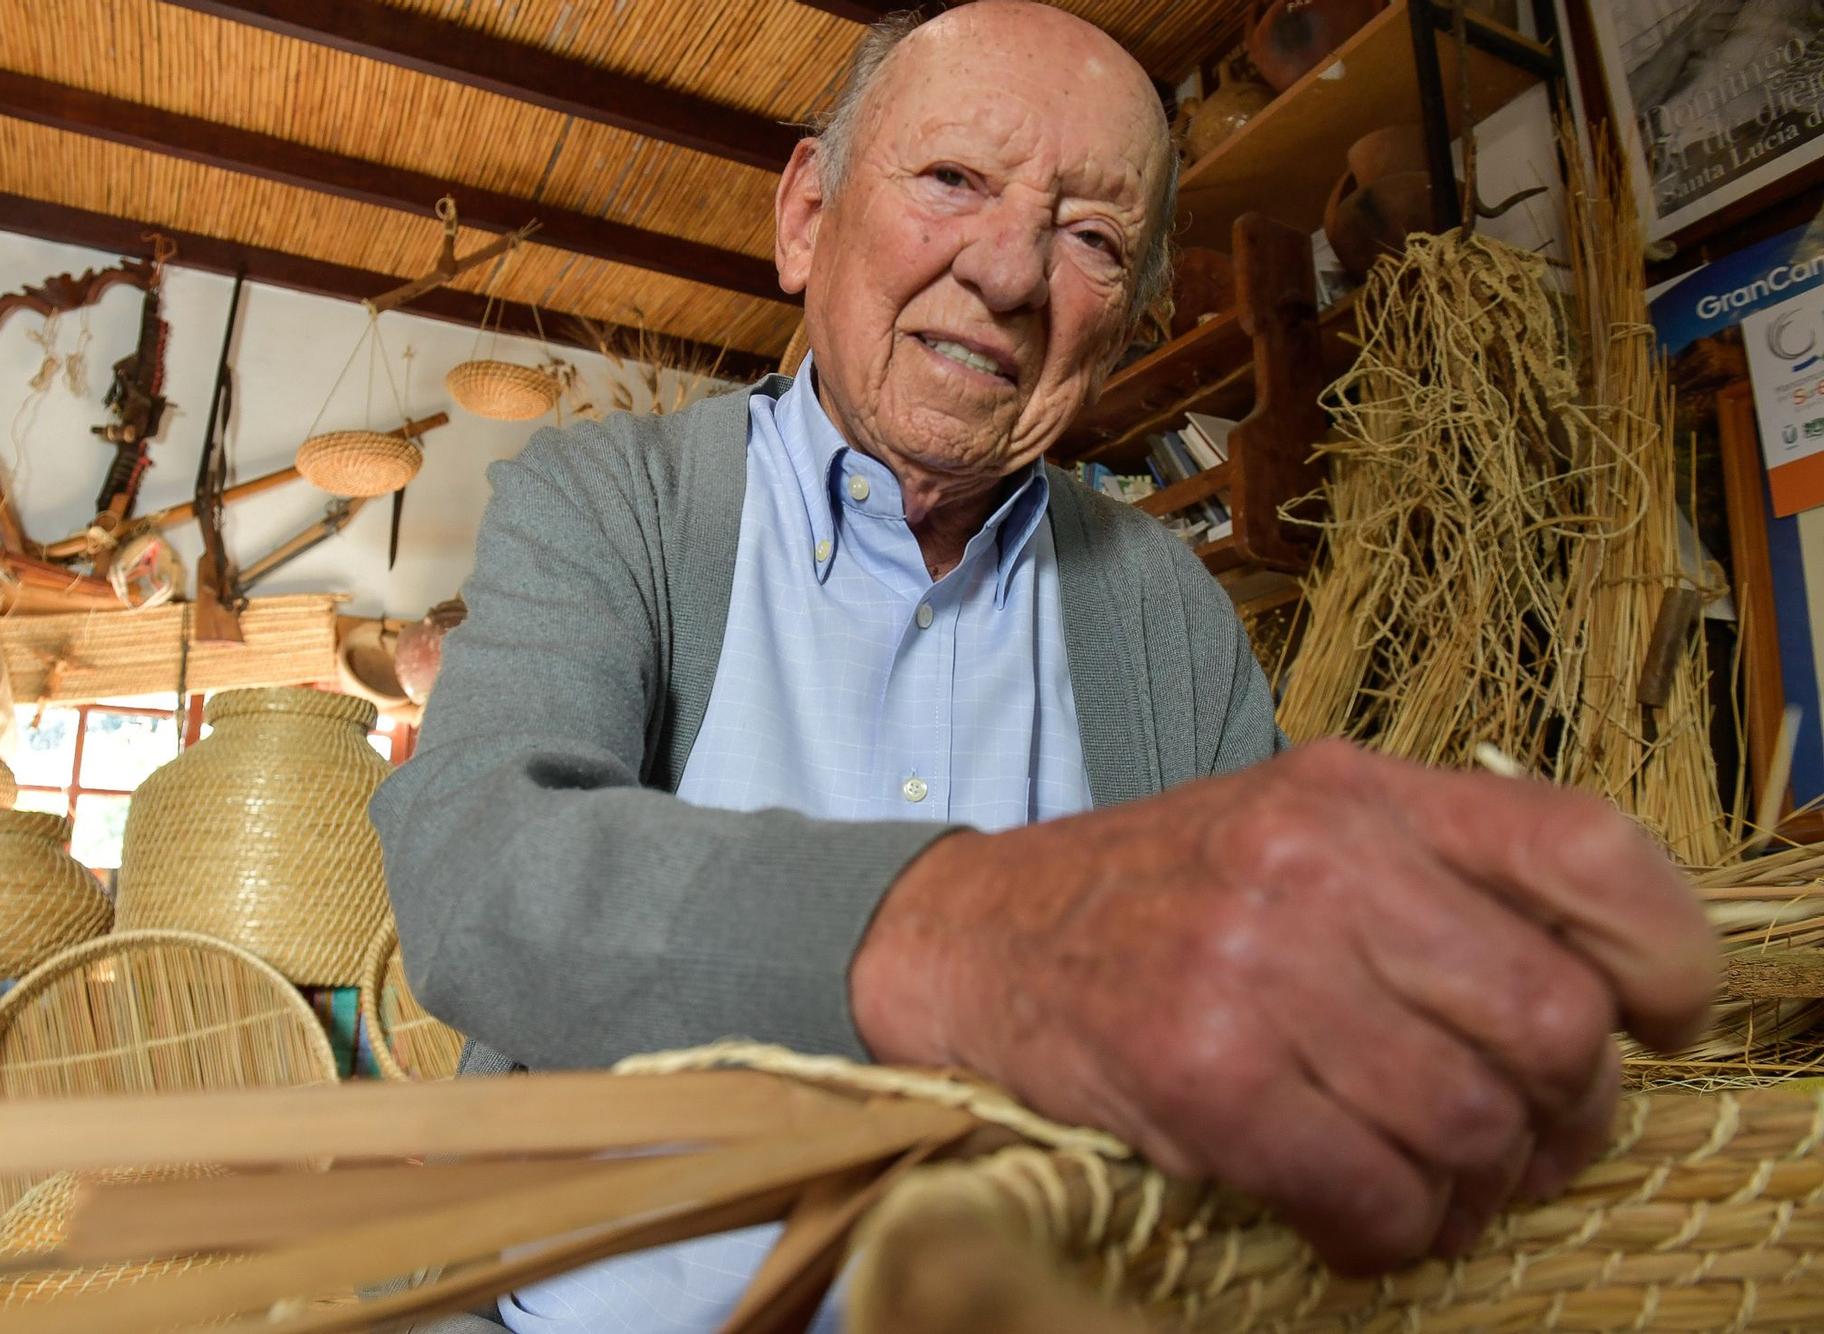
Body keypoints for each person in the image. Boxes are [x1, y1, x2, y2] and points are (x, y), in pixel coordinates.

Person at [370, 3, 1717, 1328]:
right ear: (805, 217)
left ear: (1126, 319)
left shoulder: (1160, 611)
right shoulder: (614, 501)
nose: (1009, 272)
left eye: (1088, 236)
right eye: (954, 178)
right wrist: (967, 939)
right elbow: (485, 862)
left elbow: (1240, 1028)